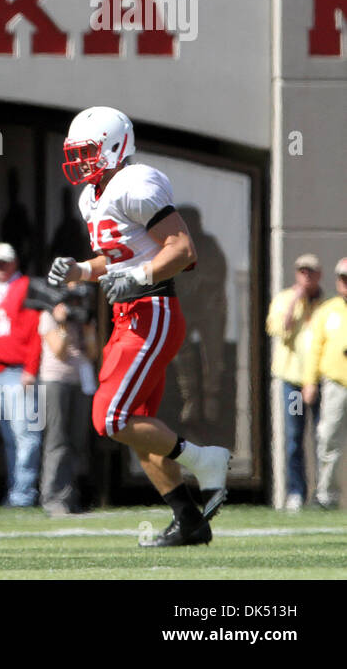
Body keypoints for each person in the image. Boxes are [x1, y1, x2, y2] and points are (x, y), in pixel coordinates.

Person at [49, 106, 231, 546]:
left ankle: (206, 460)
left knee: (109, 417)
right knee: (134, 422)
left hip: (152, 310)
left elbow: (182, 249)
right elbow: (115, 258)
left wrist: (140, 275)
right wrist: (79, 270)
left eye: (89, 152)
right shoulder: (91, 195)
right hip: (126, 314)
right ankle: (189, 520)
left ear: (115, 146)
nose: (82, 161)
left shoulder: (136, 182)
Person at [0, 242, 43, 507]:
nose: (0, 268)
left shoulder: (25, 286)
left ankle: (23, 494)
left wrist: (31, 368)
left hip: (18, 373)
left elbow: (36, 330)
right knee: (9, 438)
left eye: (4, 262)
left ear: (15, 262)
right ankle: (16, 491)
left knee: (26, 434)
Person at [266, 253, 324, 510]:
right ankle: (296, 492)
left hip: (320, 380)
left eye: (310, 272)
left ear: (319, 275)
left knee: (323, 437)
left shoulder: (327, 304)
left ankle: (322, 494)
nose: (306, 276)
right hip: (293, 382)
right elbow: (280, 329)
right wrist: (295, 301)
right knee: (294, 437)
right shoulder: (283, 300)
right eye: (302, 271)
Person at [38, 281, 96, 515]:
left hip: (80, 381)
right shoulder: (49, 313)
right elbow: (59, 351)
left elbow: (92, 353)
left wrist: (88, 330)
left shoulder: (85, 316)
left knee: (77, 441)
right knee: (57, 441)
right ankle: (52, 498)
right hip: (55, 381)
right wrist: (62, 323)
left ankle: (71, 497)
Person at [303, 257, 347, 510]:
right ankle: (327, 496)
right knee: (329, 439)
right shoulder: (328, 310)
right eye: (343, 278)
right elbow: (314, 349)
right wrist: (310, 382)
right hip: (336, 384)